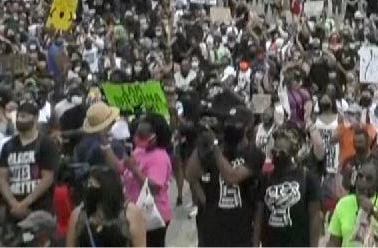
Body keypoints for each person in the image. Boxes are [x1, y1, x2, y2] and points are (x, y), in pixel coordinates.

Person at [186, 105, 266, 247]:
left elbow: (232, 177)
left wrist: (215, 146)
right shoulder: (215, 149)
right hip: (211, 231)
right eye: (229, 122)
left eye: (235, 124)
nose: (230, 127)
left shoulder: (254, 154)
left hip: (239, 231)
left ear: (247, 127)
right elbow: (191, 175)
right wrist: (201, 142)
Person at [256, 125, 322, 247]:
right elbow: (259, 217)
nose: (276, 155)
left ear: (293, 151)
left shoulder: (307, 178)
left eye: (282, 152)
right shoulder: (266, 178)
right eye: (274, 151)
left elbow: (315, 217)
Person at [0, 99, 60, 219]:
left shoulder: (46, 144)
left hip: (39, 207)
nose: (20, 120)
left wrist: (25, 203)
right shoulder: (8, 145)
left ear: (35, 118)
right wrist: (14, 203)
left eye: (24, 116)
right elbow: (2, 178)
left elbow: (47, 178)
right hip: (12, 207)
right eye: (19, 116)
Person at [118, 114, 173, 248]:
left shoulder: (159, 157)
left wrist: (135, 170)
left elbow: (154, 188)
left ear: (154, 137)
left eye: (142, 135)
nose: (137, 138)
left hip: (153, 216)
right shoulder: (139, 151)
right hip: (135, 213)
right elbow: (120, 168)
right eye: (136, 133)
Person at [328, 160, 378, 247]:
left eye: (369, 179)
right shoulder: (343, 203)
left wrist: (373, 210)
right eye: (360, 176)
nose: (362, 181)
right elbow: (333, 242)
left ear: (377, 183)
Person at [65, 166, 146, 247]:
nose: (88, 188)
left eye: (92, 184)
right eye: (88, 184)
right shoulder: (79, 214)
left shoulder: (130, 213)